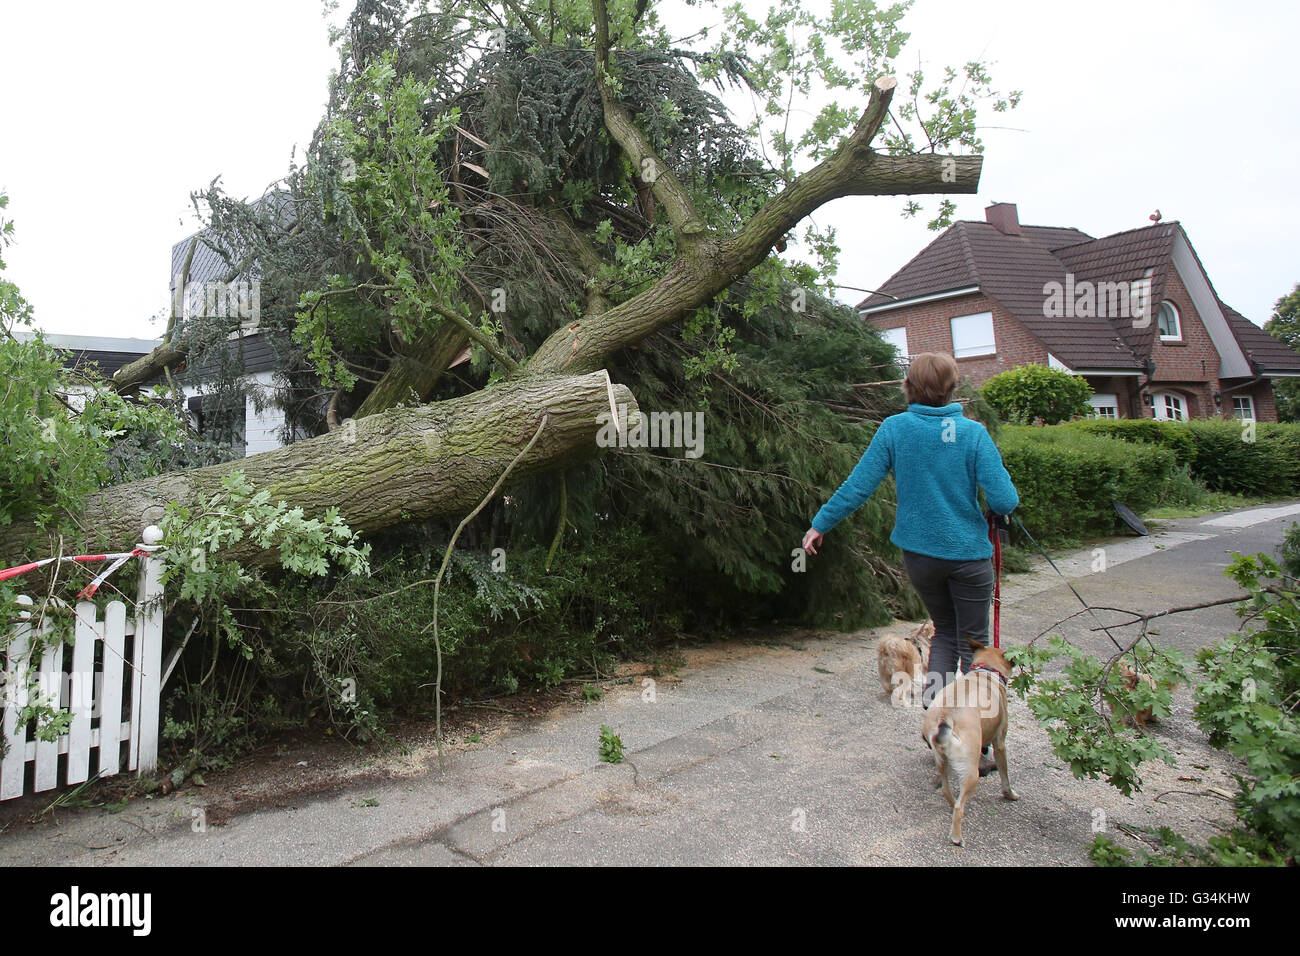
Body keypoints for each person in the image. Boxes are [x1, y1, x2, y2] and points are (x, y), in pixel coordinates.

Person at [801, 352, 1019, 707]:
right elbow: (1005, 500)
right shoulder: (971, 434)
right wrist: (992, 508)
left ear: (908, 387)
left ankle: (938, 727)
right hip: (967, 556)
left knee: (946, 631)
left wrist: (819, 524)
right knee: (975, 645)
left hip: (921, 559)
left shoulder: (895, 429)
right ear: (953, 388)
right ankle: (974, 744)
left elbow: (859, 485)